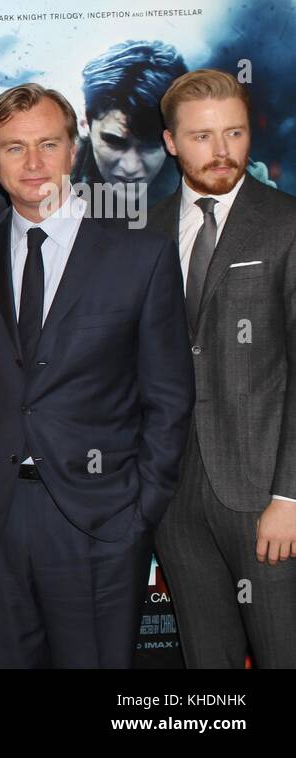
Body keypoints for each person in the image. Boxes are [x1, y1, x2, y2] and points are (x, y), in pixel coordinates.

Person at [0, 84, 194, 668]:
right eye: (14, 148)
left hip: (100, 519)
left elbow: (170, 395)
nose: (33, 164)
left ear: (73, 150)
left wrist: (140, 511)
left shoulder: (141, 253)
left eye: (48, 144)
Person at [147, 69, 296, 668]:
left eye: (233, 133)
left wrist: (290, 495)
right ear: (170, 142)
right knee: (207, 669)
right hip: (175, 498)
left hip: (266, 496)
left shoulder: (286, 223)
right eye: (203, 136)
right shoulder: (146, 230)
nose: (222, 151)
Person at [0, 40, 187, 234]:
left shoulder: (197, 174)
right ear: (85, 124)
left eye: (151, 146)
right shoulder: (54, 167)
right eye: (114, 141)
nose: (131, 167)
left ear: (171, 135)